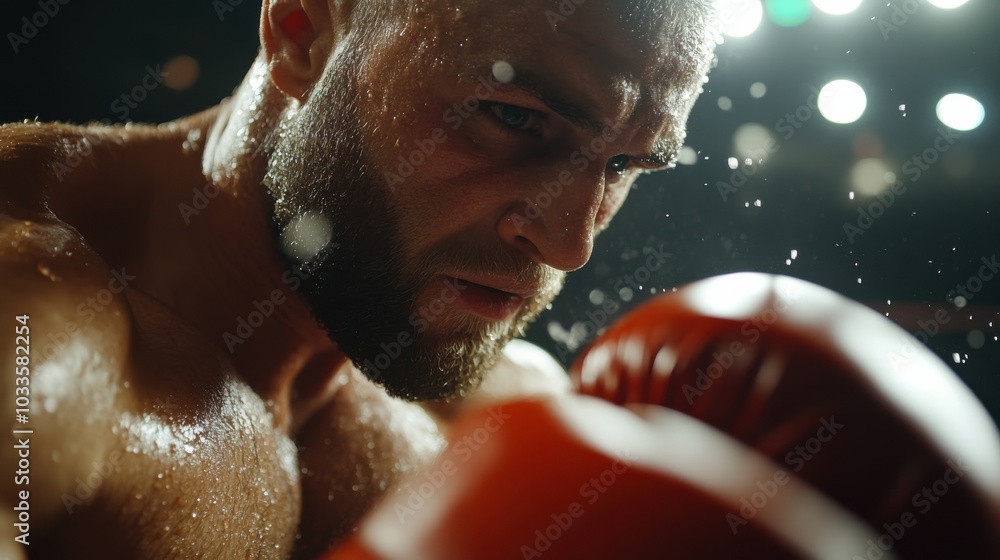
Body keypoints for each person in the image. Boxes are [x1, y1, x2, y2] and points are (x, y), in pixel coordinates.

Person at [0, 0, 719, 557]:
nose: (569, 245)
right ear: (301, 30)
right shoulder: (40, 339)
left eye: (625, 165)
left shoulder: (501, 420)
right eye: (512, 117)